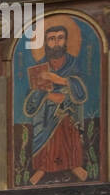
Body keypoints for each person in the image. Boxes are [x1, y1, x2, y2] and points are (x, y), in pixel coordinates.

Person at [22, 23, 88, 184]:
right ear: (46, 43)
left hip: (69, 110)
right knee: (49, 116)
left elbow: (82, 92)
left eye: (60, 38)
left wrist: (62, 81)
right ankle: (43, 168)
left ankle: (73, 165)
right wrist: (47, 95)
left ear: (66, 41)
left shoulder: (74, 64)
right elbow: (31, 101)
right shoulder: (40, 67)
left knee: (65, 119)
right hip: (45, 113)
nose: (56, 43)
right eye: (51, 39)